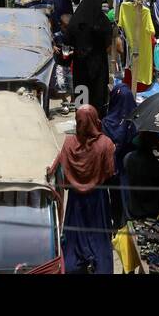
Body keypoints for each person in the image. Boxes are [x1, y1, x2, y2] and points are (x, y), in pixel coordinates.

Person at [49, 105, 116, 274]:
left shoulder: (69, 143)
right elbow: (109, 172)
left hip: (76, 200)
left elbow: (60, 166)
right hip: (98, 200)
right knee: (99, 239)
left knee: (74, 241)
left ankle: (72, 266)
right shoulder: (106, 144)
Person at [67, 0, 114, 117]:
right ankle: (96, 125)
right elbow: (109, 48)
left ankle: (82, 123)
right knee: (97, 96)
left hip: (80, 65)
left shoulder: (75, 22)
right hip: (98, 67)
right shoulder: (103, 23)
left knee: (81, 94)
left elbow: (68, 40)